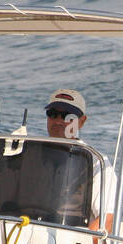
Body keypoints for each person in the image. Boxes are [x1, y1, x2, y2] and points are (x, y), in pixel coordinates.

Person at [44, 87, 116, 234]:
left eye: (67, 116)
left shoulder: (96, 162)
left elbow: (107, 219)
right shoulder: (29, 153)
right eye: (53, 114)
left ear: (82, 121)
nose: (58, 120)